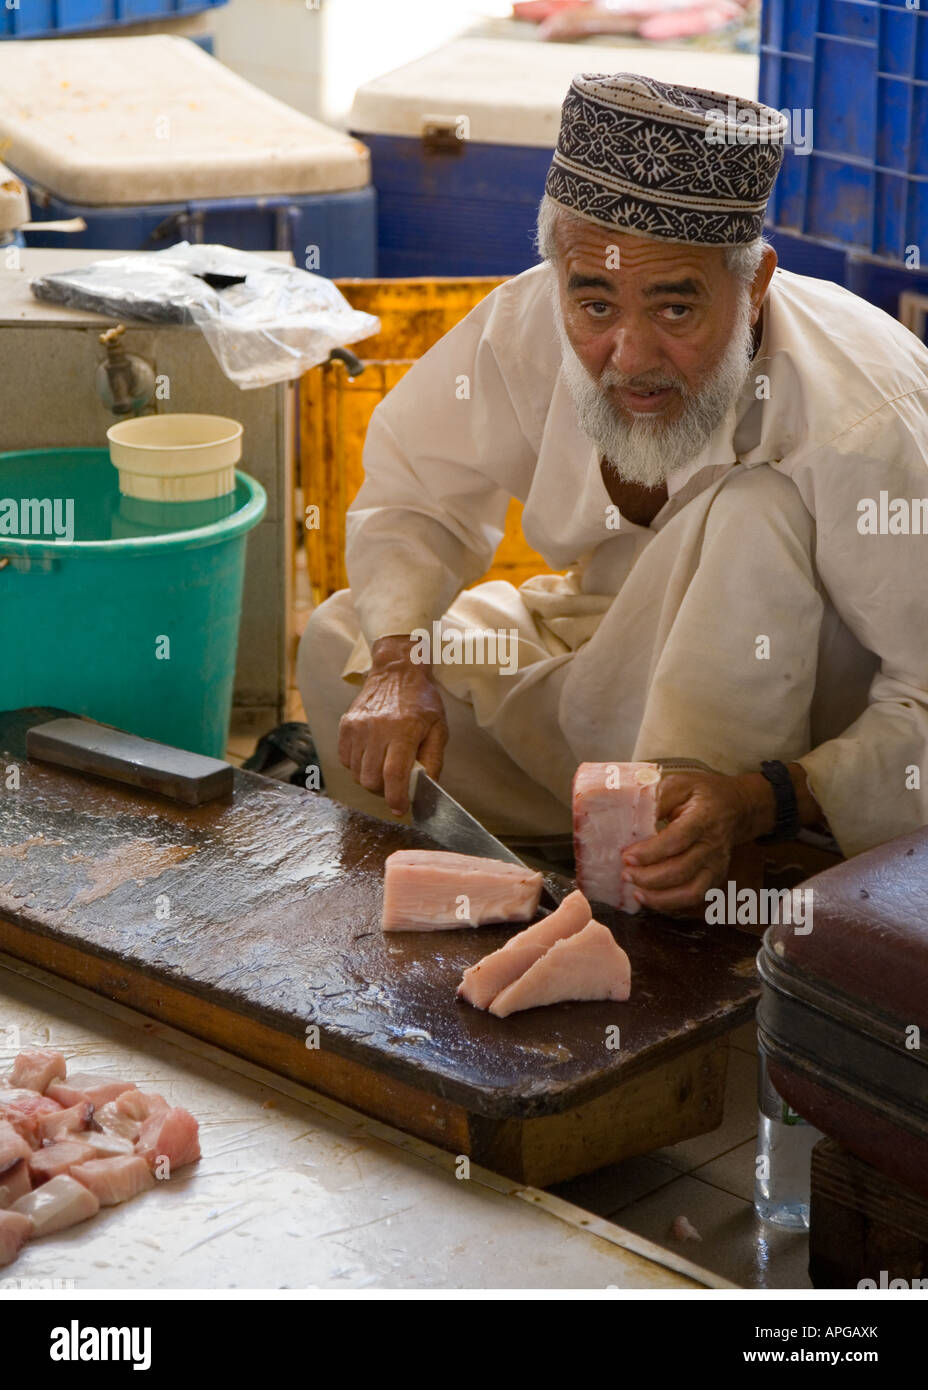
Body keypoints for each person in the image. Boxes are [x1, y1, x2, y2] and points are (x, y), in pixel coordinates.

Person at [299, 72, 928, 914]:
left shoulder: (862, 419)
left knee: (752, 513)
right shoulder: (526, 323)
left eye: (676, 310)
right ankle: (603, 843)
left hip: (789, 742)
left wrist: (765, 798)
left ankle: (710, 861)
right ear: (557, 271)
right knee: (346, 638)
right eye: (593, 302)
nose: (629, 356)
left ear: (756, 285)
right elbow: (415, 498)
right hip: (612, 662)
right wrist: (396, 665)